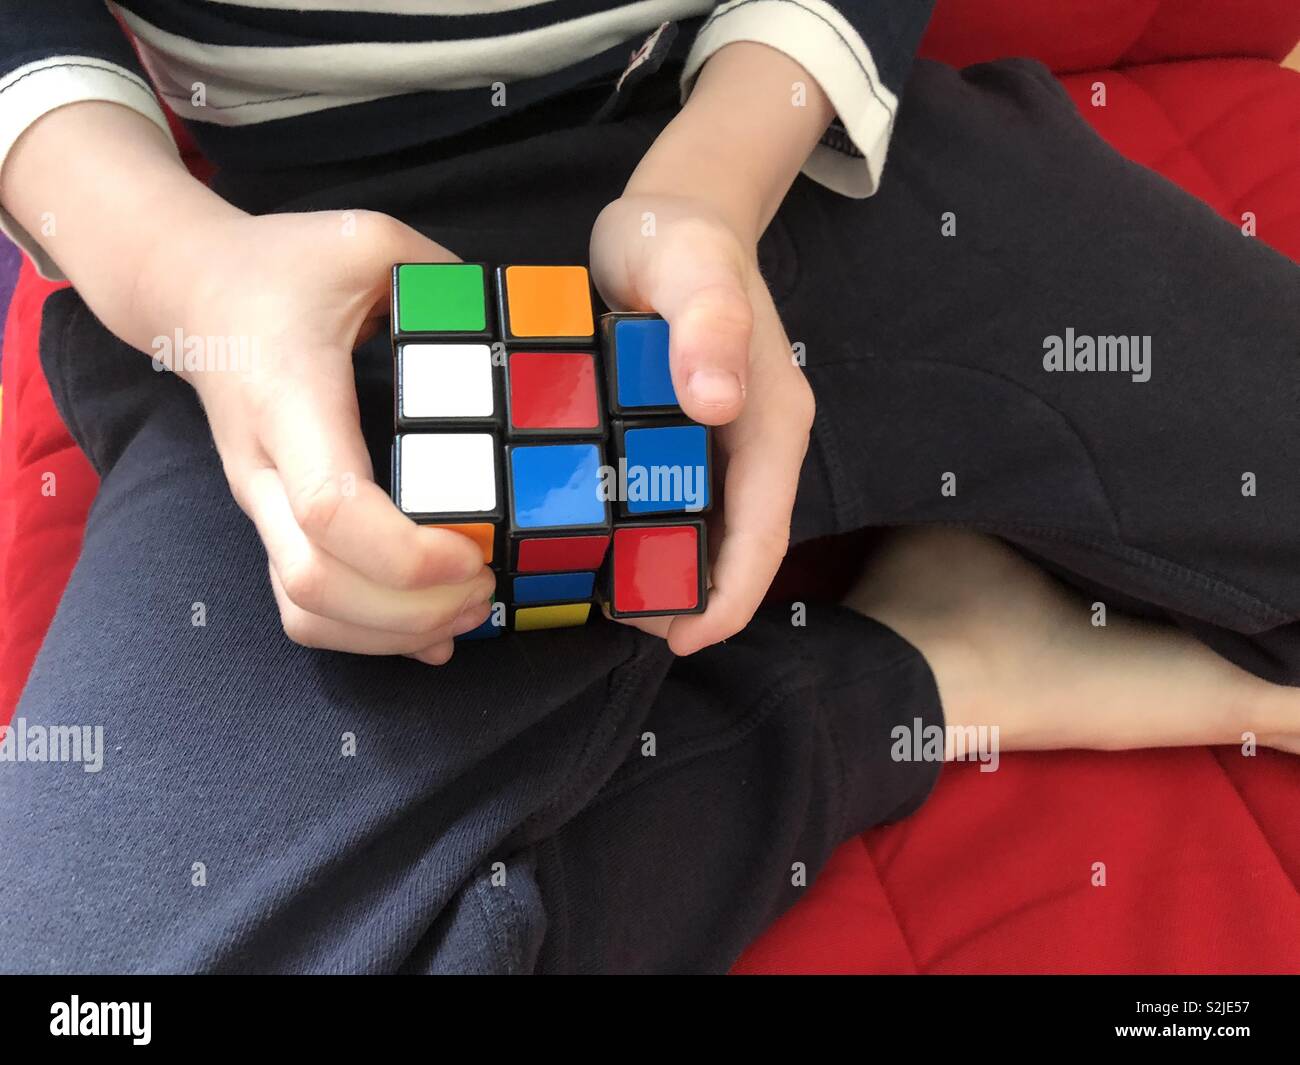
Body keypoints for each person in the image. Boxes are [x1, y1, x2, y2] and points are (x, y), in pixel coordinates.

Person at [0, 2, 1296, 973]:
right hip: (314, 270)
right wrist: (188, 277)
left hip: (776, 142)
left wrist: (710, 189)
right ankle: (934, 666)